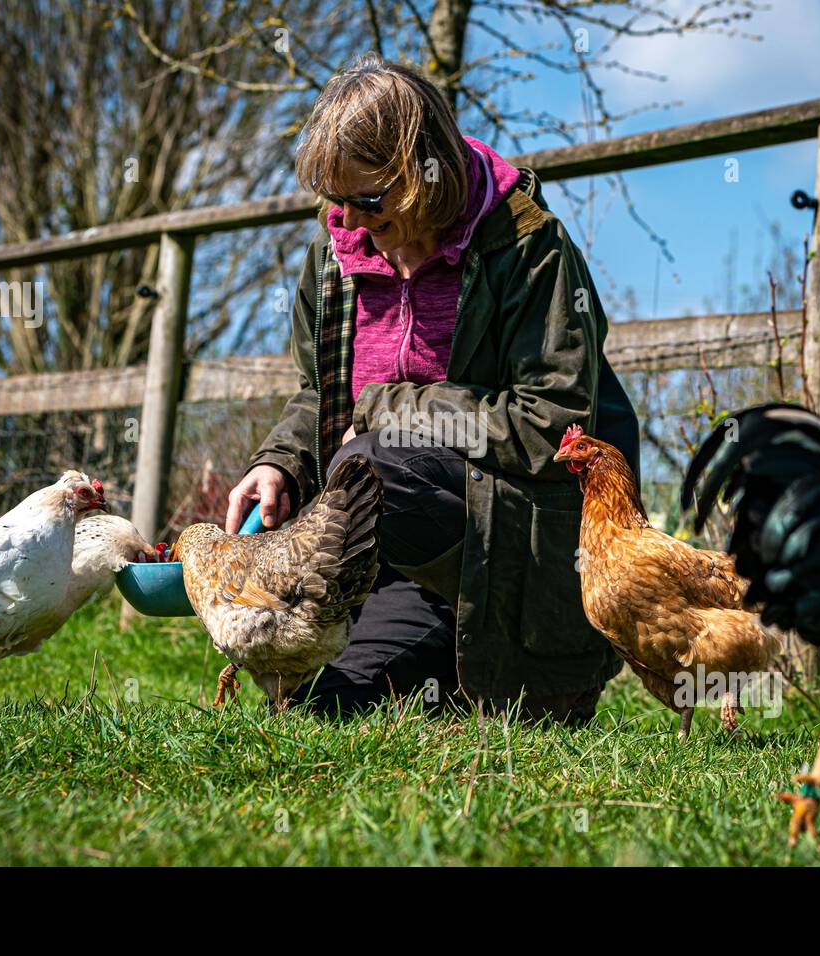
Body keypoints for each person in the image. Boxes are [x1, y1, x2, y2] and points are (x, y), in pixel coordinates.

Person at [225, 54, 641, 722]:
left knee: (373, 465)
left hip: (511, 548)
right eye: (337, 201)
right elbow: (319, 395)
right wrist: (279, 460)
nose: (353, 222)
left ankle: (528, 659)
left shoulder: (530, 250)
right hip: (398, 556)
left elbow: (554, 425)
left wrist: (392, 406)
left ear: (425, 172)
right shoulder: (333, 262)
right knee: (321, 708)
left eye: (369, 199)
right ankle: (451, 666)